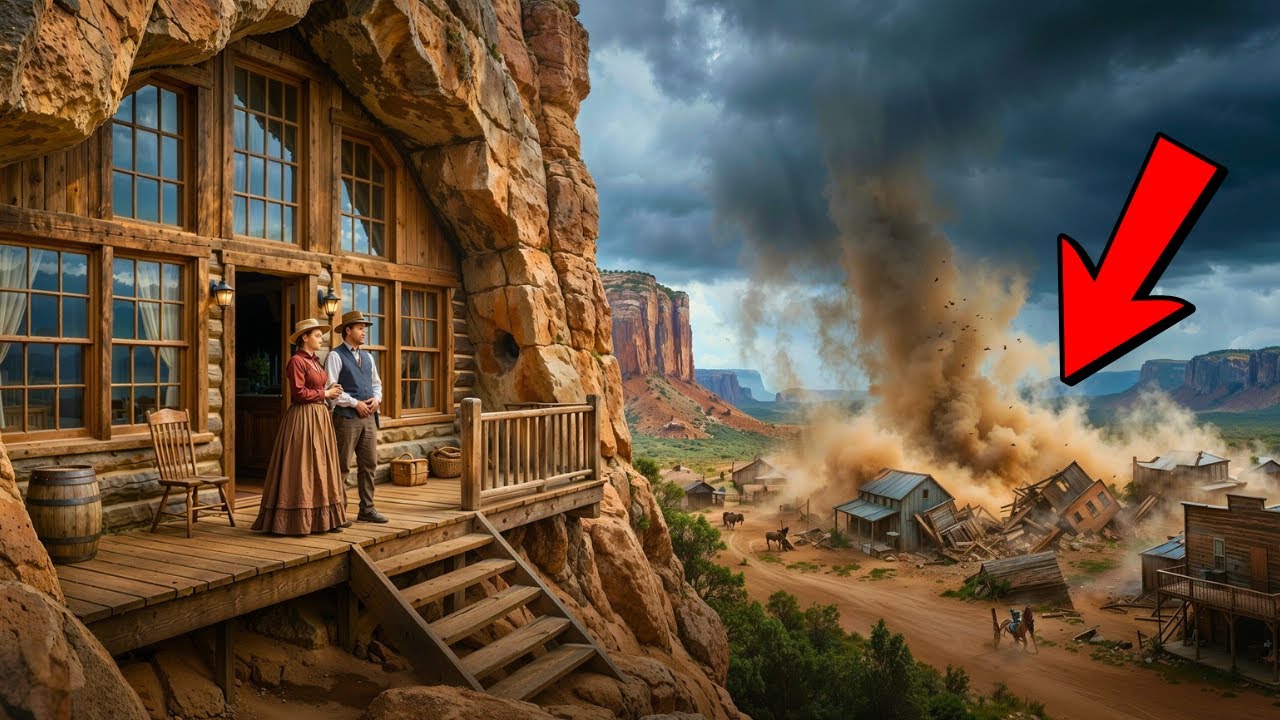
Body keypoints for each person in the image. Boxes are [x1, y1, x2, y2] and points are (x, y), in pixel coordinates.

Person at [252, 318, 349, 535]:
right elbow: (299, 393)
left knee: (321, 466)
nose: (320, 339)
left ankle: (325, 519)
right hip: (303, 418)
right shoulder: (296, 361)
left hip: (320, 417)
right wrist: (325, 393)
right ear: (304, 337)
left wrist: (330, 388)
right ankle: (296, 521)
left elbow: (316, 386)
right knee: (303, 466)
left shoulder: (315, 360)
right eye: (316, 335)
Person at [326, 309, 388, 523]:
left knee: (369, 464)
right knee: (341, 465)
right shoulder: (335, 355)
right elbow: (332, 390)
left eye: (364, 329)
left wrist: (377, 400)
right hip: (346, 419)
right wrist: (355, 403)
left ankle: (367, 509)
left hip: (369, 418)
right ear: (348, 330)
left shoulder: (368, 357)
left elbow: (377, 385)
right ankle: (338, 512)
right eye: (360, 329)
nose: (364, 333)